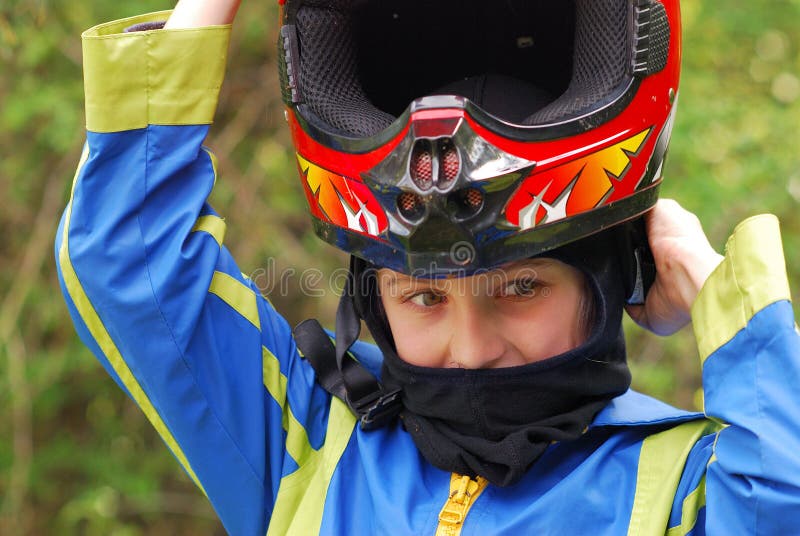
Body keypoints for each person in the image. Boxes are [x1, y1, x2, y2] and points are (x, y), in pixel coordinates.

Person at [56, 0, 800, 534]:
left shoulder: (684, 485)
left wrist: (716, 293)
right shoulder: (309, 443)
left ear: (609, 282)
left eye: (521, 286)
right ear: (372, 299)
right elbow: (130, 259)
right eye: (422, 299)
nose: (472, 350)